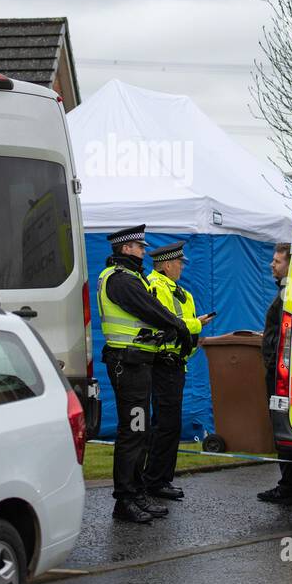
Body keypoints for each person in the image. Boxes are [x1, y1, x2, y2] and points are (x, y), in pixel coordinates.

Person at [98, 224, 192, 524]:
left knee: (139, 432)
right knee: (133, 432)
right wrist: (178, 327)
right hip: (128, 365)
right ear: (126, 248)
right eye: (140, 247)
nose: (143, 251)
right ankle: (125, 499)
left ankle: (136, 493)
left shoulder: (130, 277)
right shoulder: (120, 280)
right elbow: (150, 309)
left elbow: (151, 309)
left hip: (138, 365)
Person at [142, 241, 213, 501]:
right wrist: (196, 324)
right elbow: (167, 323)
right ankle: (155, 481)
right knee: (166, 425)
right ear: (168, 264)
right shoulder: (156, 287)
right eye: (179, 263)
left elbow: (182, 330)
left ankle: (160, 478)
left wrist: (193, 337)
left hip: (177, 363)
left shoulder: (181, 292)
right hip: (163, 363)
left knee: (168, 424)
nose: (182, 267)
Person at [257, 242, 292, 506]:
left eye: (277, 261)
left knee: (282, 428)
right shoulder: (287, 291)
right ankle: (290, 484)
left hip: (280, 372)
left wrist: (271, 360)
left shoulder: (289, 293)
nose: (271, 265)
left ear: (290, 263)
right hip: (279, 368)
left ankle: (289, 487)